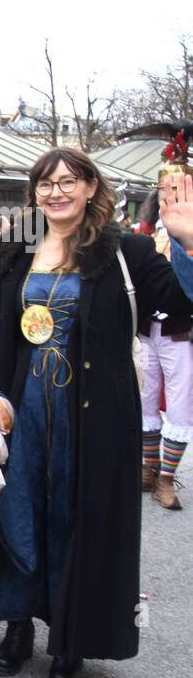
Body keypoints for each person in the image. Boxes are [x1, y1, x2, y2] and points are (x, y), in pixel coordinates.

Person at [0, 149, 193, 678]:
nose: (56, 191)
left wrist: (187, 242)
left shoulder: (124, 251)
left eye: (69, 182)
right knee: (17, 508)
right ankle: (16, 626)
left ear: (89, 190)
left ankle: (71, 636)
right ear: (35, 193)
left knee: (76, 516)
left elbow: (182, 304)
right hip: (22, 406)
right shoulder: (18, 250)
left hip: (96, 412)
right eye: (46, 183)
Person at [135, 189, 192, 509]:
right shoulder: (144, 236)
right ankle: (148, 468)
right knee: (144, 399)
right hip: (145, 331)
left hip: (179, 331)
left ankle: (167, 479)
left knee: (181, 405)